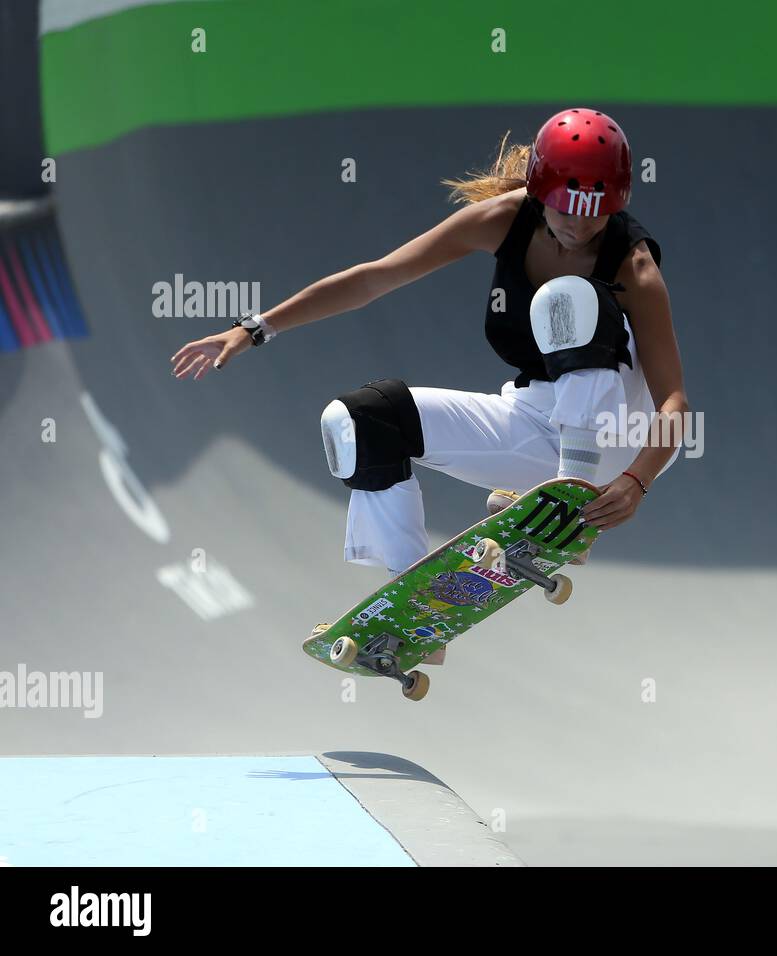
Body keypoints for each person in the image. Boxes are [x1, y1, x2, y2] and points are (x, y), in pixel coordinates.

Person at [170, 107, 688, 664]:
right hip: (536, 420)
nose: (579, 228)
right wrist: (256, 327)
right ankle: (414, 613)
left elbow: (674, 401)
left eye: (596, 216)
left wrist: (639, 480)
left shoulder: (633, 265)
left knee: (568, 297)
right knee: (359, 421)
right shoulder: (500, 220)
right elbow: (376, 277)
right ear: (541, 190)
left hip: (618, 439)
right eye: (565, 210)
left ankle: (567, 504)